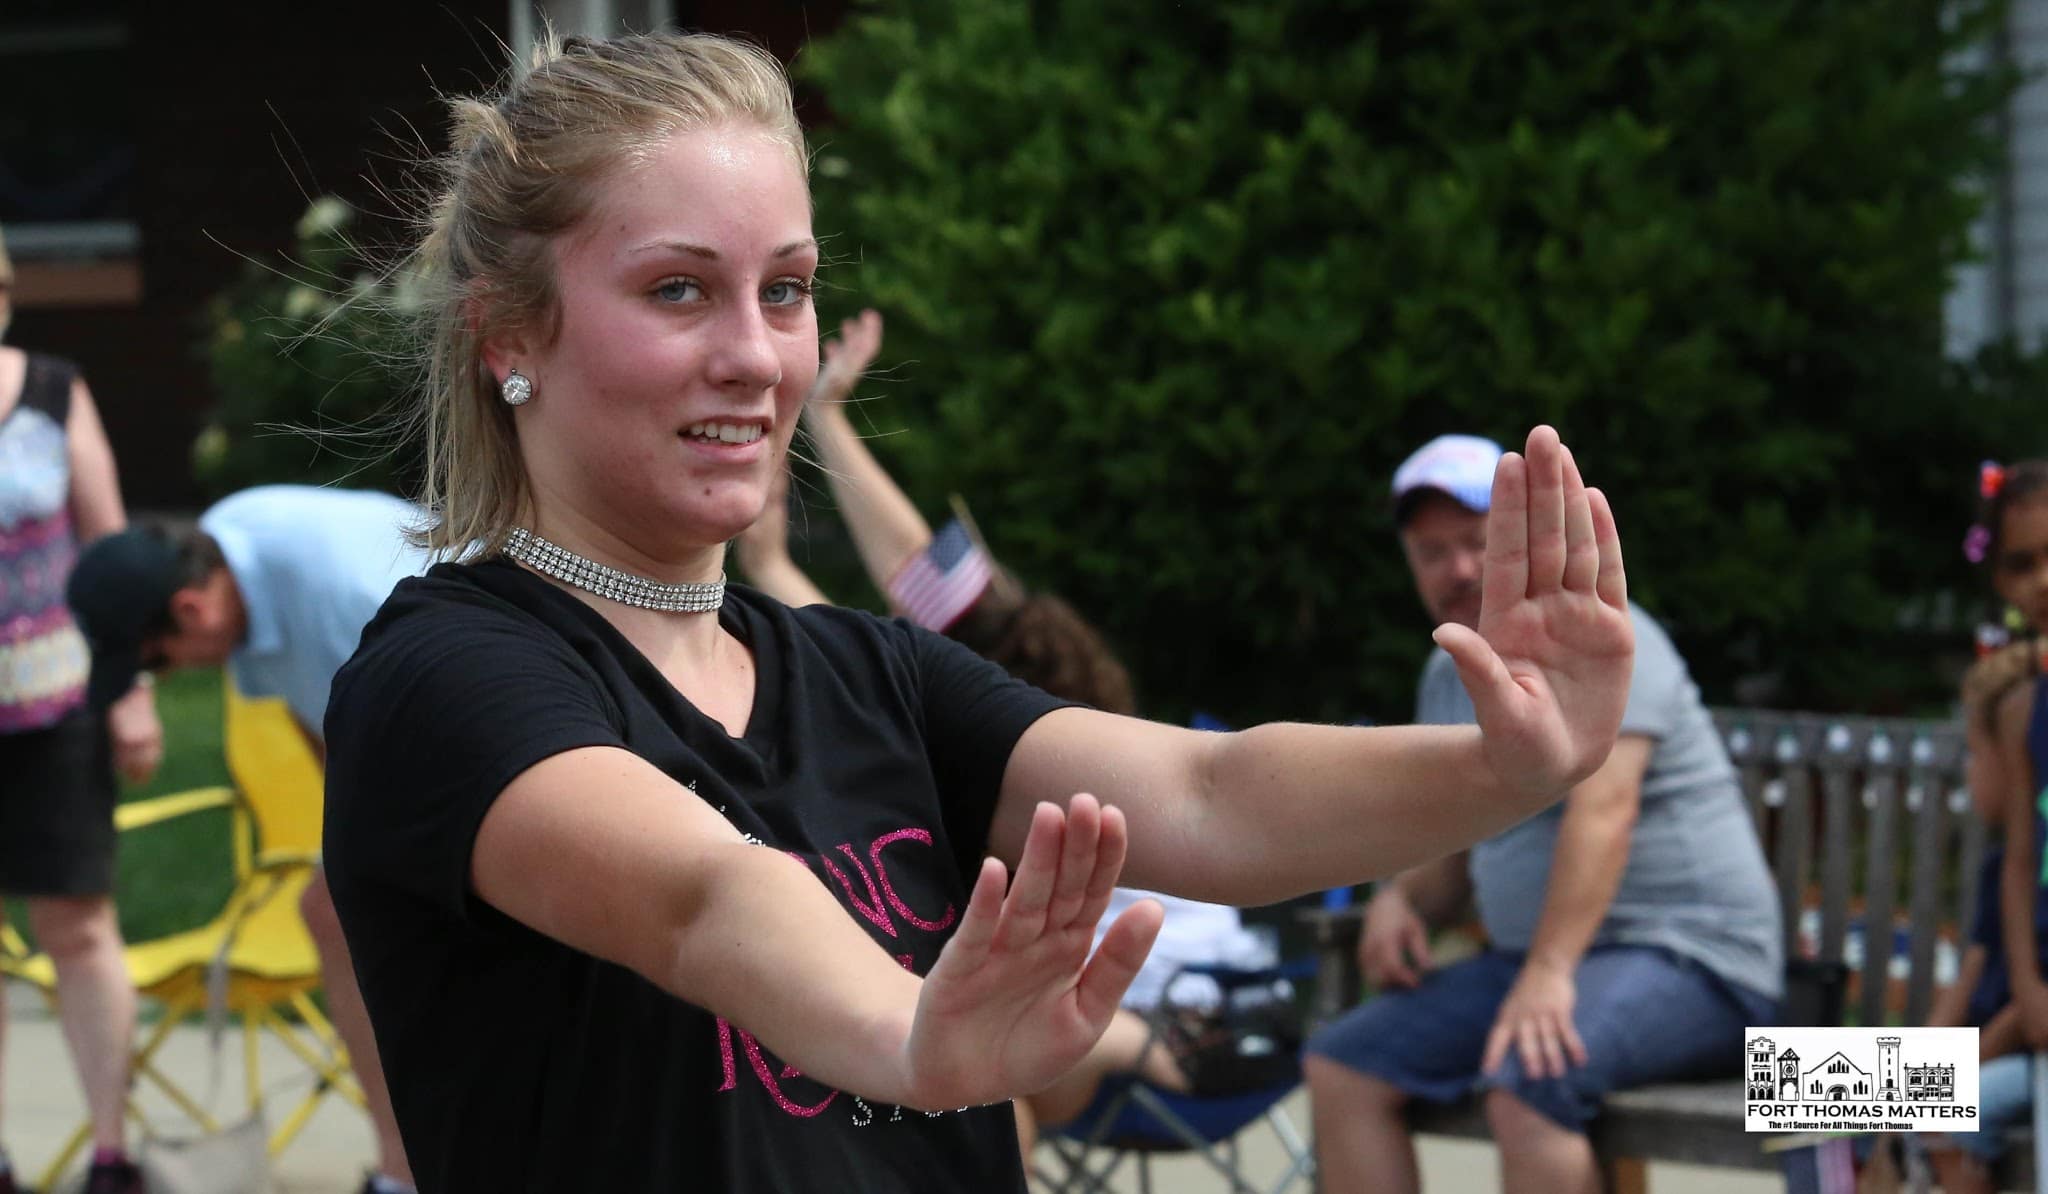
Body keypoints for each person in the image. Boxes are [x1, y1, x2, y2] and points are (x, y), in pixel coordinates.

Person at [318, 31, 1636, 1194]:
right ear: (508, 334)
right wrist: (911, 1035)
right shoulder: (445, 675)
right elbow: (700, 896)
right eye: (678, 289)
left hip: (1676, 990)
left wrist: (1504, 764)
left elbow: (1210, 793)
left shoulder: (868, 672)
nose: (756, 354)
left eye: (786, 289)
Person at [734, 308, 1278, 1160]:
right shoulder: (1080, 724)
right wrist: (822, 428)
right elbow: (903, 597)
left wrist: (779, 541)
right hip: (1190, 1014)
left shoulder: (1028, 750)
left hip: (1179, 1030)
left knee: (941, 1089)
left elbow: (871, 645)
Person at [1304, 433, 1783, 1194]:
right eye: (1432, 552)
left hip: (1693, 960)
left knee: (1529, 1081)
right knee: (1342, 1067)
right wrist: (1399, 899)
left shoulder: (1602, 638)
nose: (1459, 569)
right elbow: (1454, 849)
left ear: (1521, 539)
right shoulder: (1448, 672)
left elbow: (1605, 812)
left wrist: (1550, 972)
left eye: (1476, 542)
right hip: (1534, 965)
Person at [67, 485, 429, 1194]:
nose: (170, 675)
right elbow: (323, 718)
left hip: (514, 732)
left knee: (393, 919)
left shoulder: (352, 604)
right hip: (421, 754)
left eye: (157, 662)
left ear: (190, 611)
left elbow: (460, 730)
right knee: (334, 908)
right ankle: (406, 1168)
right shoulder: (228, 548)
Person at [0, 226, 161, 1194]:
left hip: (57, 706)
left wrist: (131, 689)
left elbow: (109, 552)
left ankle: (111, 1153)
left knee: (79, 927)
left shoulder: (56, 391)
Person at [1928, 458, 2048, 1193]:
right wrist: (1912, 1075)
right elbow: (1967, 988)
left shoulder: (2023, 706)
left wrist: (1918, 1085)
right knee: (1793, 1094)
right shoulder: (2002, 871)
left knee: (1838, 1103)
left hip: (2014, 1051)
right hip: (2000, 1047)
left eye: (1979, 754)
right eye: (2022, 564)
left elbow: (2021, 1020)